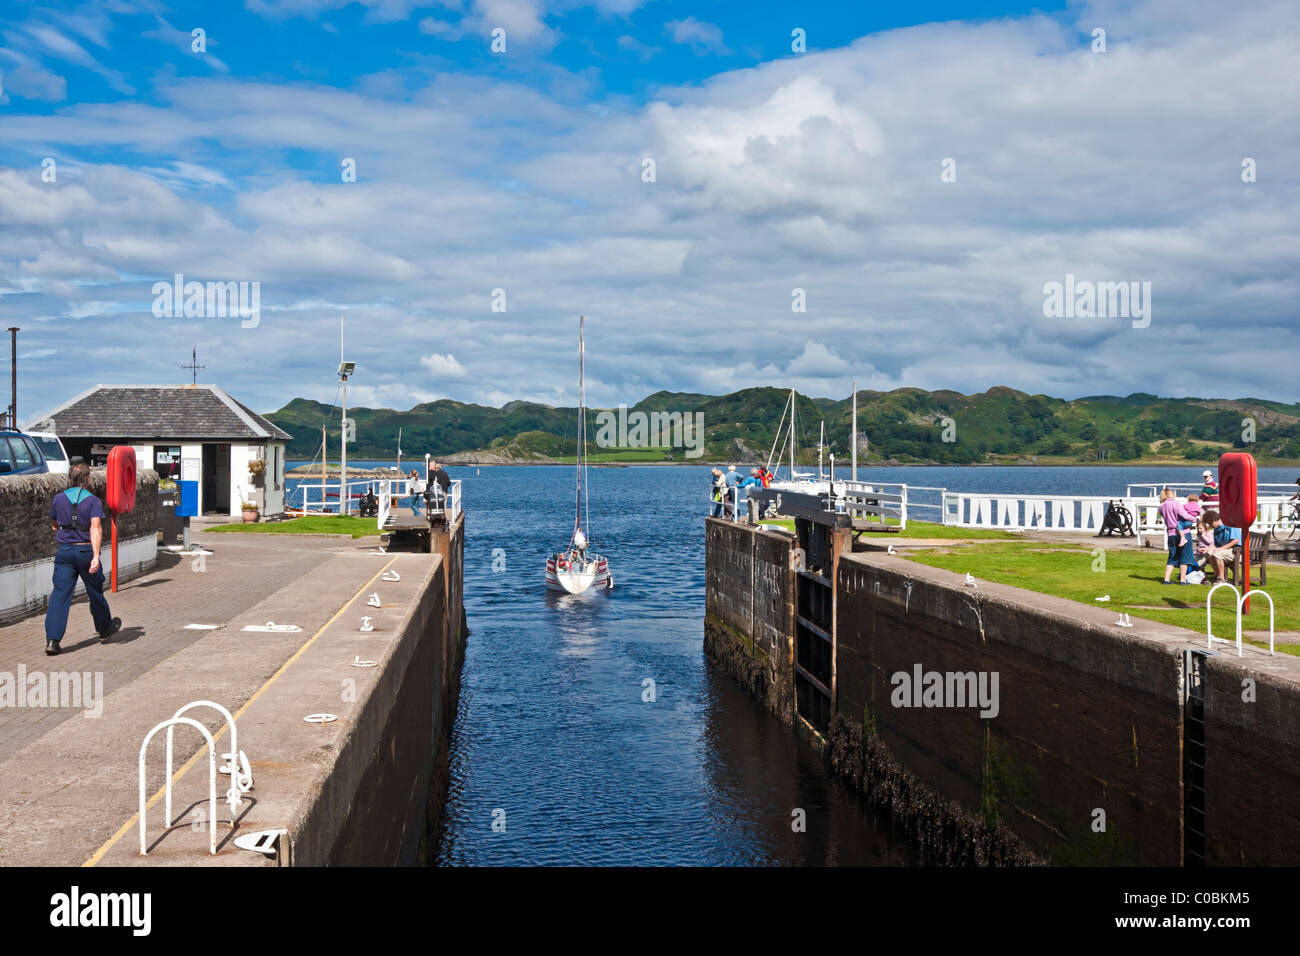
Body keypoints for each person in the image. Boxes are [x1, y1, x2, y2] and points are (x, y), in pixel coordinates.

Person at [45, 462, 121, 654]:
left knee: (60, 595)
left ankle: (53, 640)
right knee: (95, 591)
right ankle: (104, 629)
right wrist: (96, 556)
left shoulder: (59, 498)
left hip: (64, 552)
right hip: (85, 551)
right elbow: (95, 528)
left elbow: (54, 524)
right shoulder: (93, 501)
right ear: (87, 479)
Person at [1159, 487, 1198, 584]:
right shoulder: (1176, 504)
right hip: (1183, 533)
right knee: (1184, 557)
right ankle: (1182, 580)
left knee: (1172, 557)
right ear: (1171, 494)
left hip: (1171, 534)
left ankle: (1166, 579)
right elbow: (1184, 515)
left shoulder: (1161, 507)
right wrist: (1194, 519)